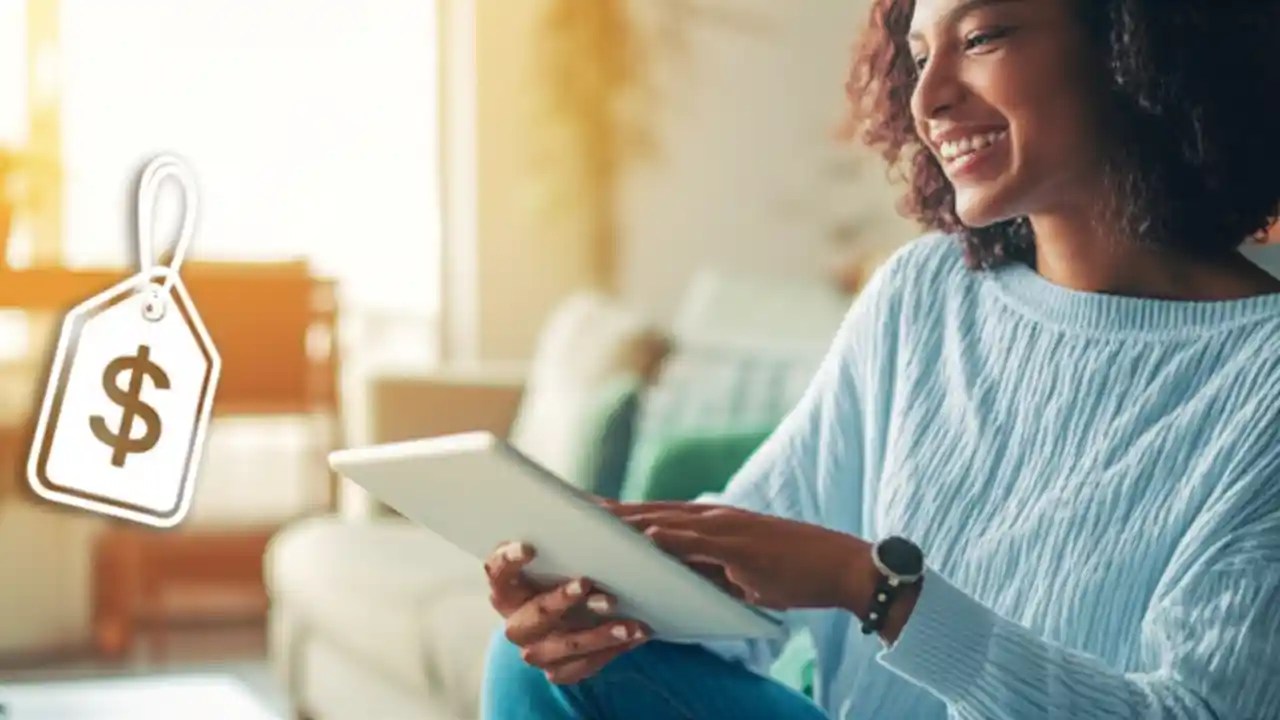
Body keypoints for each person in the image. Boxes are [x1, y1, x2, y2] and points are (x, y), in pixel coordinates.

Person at [480, 0, 1280, 717]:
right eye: (920, 54)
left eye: (981, 37)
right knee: (551, 669)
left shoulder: (1263, 378)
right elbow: (741, 609)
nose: (930, 100)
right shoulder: (923, 295)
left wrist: (878, 590)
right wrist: (607, 601)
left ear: (1133, 44)